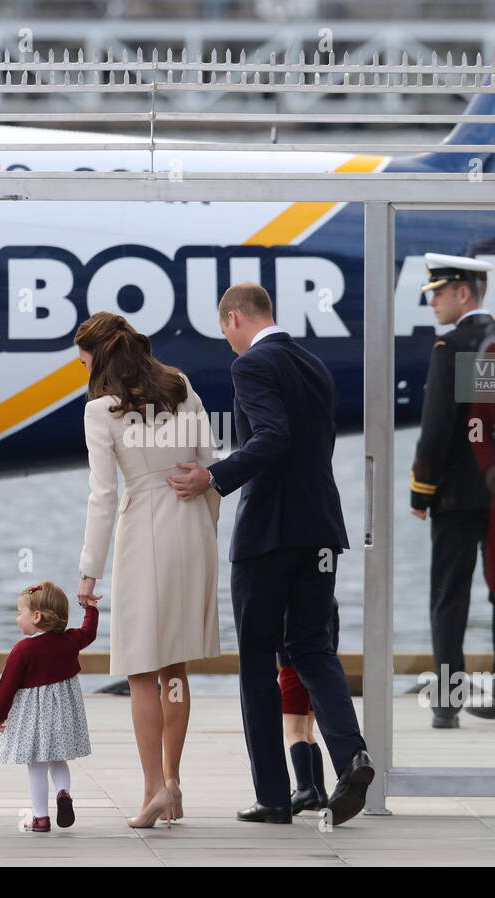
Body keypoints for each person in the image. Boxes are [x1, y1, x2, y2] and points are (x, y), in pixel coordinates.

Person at [168, 282, 373, 826]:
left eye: (225, 333)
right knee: (311, 647)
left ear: (235, 318)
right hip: (322, 527)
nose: (229, 346)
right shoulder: (314, 364)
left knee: (258, 659)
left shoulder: (252, 366)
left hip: (271, 534)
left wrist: (213, 476)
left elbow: (273, 436)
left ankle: (275, 797)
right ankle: (351, 755)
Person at [75, 311, 221, 829]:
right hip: (191, 528)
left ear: (98, 358)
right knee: (174, 668)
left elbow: (103, 495)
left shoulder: (101, 410)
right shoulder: (179, 385)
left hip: (144, 530)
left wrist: (89, 571)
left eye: (84, 359)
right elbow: (209, 461)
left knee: (140, 670)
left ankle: (152, 789)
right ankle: (174, 782)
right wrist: (206, 525)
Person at [409, 253, 495, 729]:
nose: (433, 305)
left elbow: (438, 430)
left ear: (462, 292)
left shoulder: (449, 347)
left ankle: (447, 701)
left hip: (455, 496)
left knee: (449, 595)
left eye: (438, 294)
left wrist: (421, 490)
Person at [0, 582, 97, 833]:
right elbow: (89, 633)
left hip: (34, 718)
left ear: (36, 616)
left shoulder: (23, 649)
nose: (18, 618)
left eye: (20, 613)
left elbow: (7, 684)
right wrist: (90, 607)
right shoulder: (70, 640)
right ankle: (63, 792)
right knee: (58, 759)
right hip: (63, 715)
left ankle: (40, 818)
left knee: (36, 765)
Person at [279, 597, 339, 814]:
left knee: (294, 732)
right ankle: (319, 792)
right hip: (319, 671)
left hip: (292, 671)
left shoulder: (289, 600)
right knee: (307, 732)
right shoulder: (329, 600)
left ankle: (305, 788)